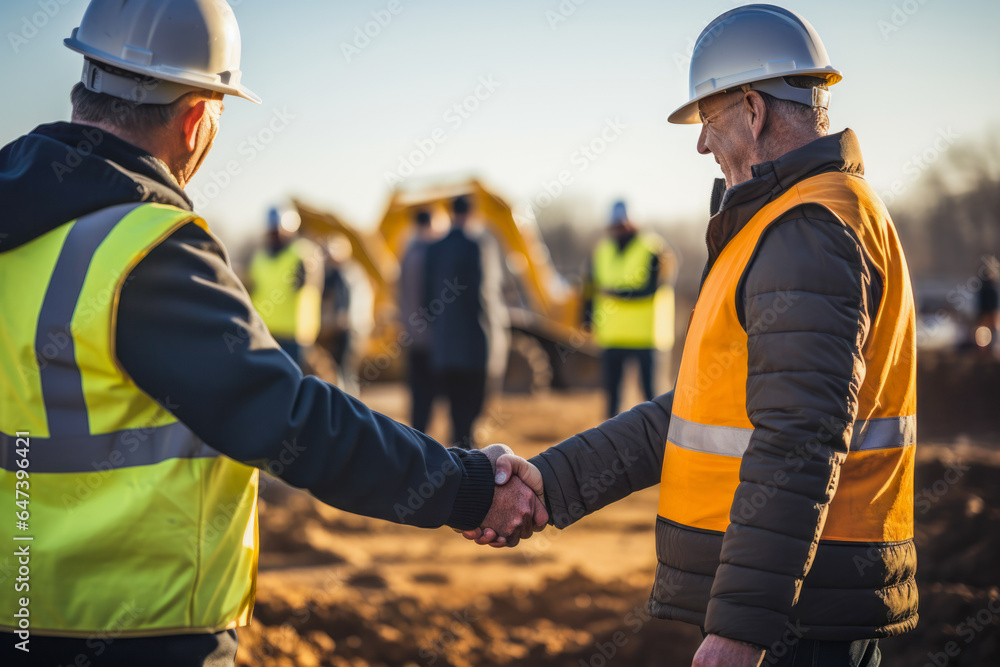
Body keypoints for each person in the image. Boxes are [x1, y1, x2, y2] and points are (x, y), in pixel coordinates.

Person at [0, 2, 543, 665]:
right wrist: (468, 487)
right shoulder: (145, 249)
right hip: (136, 629)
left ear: (85, 82)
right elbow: (295, 422)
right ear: (198, 118)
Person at [467, 6, 916, 667]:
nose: (702, 143)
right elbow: (698, 411)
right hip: (805, 600)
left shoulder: (806, 230)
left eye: (707, 118)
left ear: (753, 110)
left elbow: (798, 437)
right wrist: (553, 481)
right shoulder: (806, 217)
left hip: (801, 621)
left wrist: (742, 626)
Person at [424, 196, 510, 448]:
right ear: (472, 214)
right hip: (474, 345)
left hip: (444, 348)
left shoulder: (434, 249)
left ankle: (457, 461)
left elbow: (427, 298)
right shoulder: (478, 245)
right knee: (471, 414)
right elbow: (482, 295)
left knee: (454, 413)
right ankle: (469, 468)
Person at [584, 200, 672, 418]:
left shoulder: (654, 249)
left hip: (646, 336)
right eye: (616, 225)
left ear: (634, 224)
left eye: (623, 225)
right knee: (612, 397)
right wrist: (586, 316)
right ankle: (610, 443)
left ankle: (661, 442)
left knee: (652, 397)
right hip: (613, 335)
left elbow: (652, 288)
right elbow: (589, 287)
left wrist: (616, 294)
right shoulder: (602, 250)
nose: (619, 229)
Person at [248, 207, 324, 366]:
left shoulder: (303, 253)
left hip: (295, 334)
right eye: (272, 231)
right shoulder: (260, 258)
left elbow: (311, 282)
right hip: (265, 331)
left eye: (277, 231)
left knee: (294, 384)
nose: (274, 235)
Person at [399, 209, 440, 431]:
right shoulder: (429, 255)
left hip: (412, 335)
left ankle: (419, 438)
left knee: (418, 395)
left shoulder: (407, 254)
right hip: (430, 339)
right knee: (429, 395)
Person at [317, 234, 373, 395]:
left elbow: (355, 302)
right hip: (341, 330)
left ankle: (350, 405)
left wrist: (344, 319)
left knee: (347, 372)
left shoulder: (350, 274)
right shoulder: (333, 274)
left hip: (352, 329)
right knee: (339, 371)